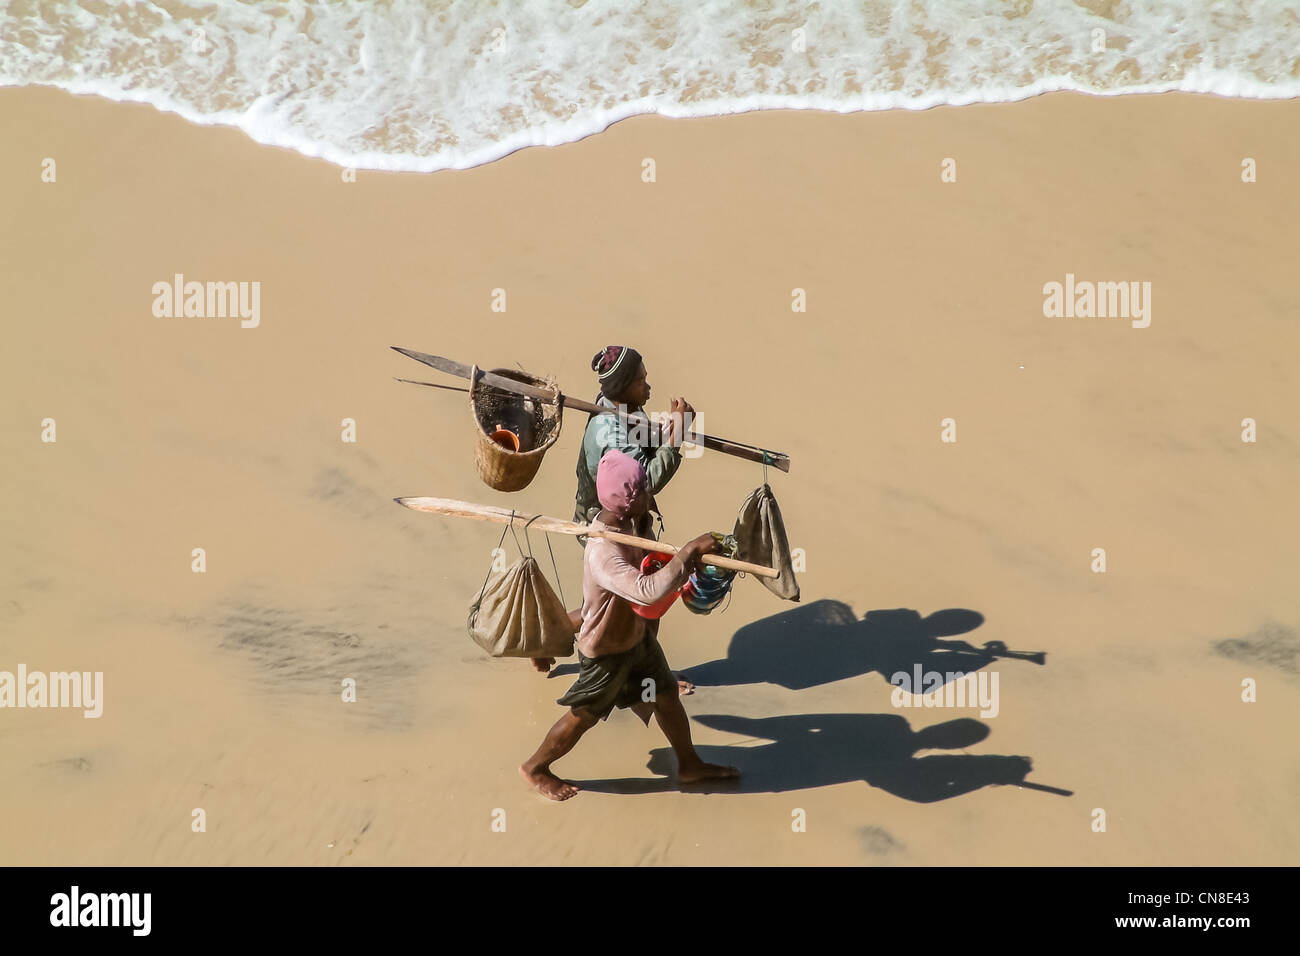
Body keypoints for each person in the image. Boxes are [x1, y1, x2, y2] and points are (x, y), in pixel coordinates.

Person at [519, 450, 740, 801]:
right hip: (606, 651)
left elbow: (649, 563)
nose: (651, 495)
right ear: (627, 504)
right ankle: (535, 768)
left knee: (666, 695)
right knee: (583, 716)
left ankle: (689, 764)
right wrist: (689, 551)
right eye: (644, 491)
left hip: (637, 641)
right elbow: (647, 592)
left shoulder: (632, 523)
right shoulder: (603, 551)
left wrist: (677, 554)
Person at [530, 345, 696, 683]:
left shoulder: (622, 407)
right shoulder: (610, 431)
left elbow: (643, 446)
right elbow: (644, 482)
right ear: (622, 387)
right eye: (641, 381)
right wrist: (675, 440)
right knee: (646, 597)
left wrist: (670, 430)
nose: (648, 387)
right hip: (611, 526)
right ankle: (655, 678)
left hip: (629, 521)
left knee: (619, 603)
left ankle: (548, 637)